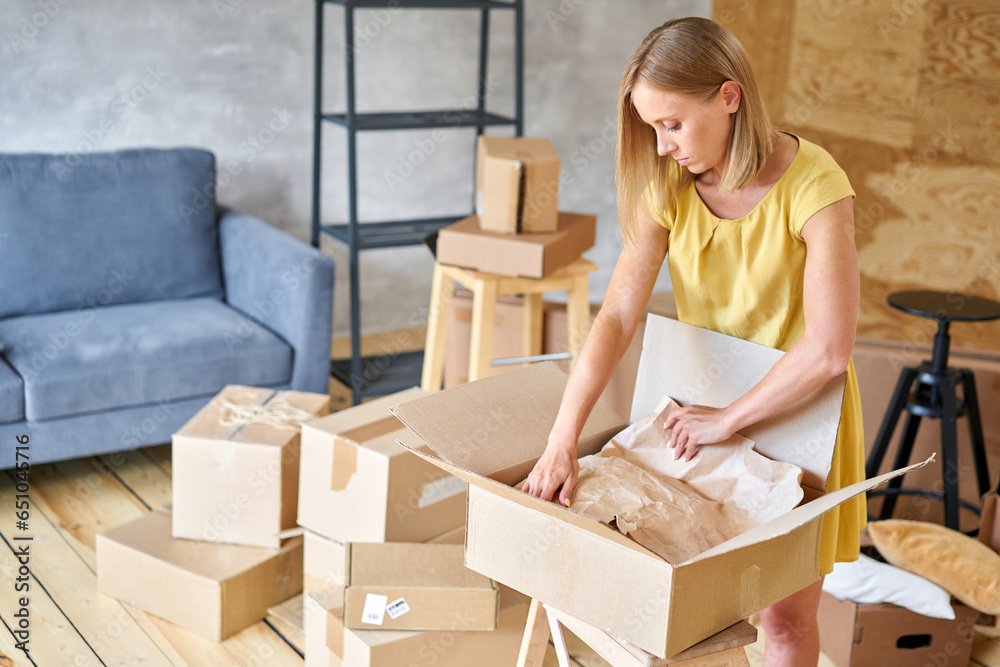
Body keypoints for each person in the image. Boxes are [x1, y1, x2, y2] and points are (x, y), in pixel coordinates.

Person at [521, 16, 865, 667]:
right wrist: (560, 439)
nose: (660, 145)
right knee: (687, 602)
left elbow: (827, 349)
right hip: (702, 410)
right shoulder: (669, 190)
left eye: (671, 124)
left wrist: (727, 421)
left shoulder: (815, 186)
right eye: (652, 127)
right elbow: (617, 317)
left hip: (799, 413)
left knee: (785, 618)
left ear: (729, 97)